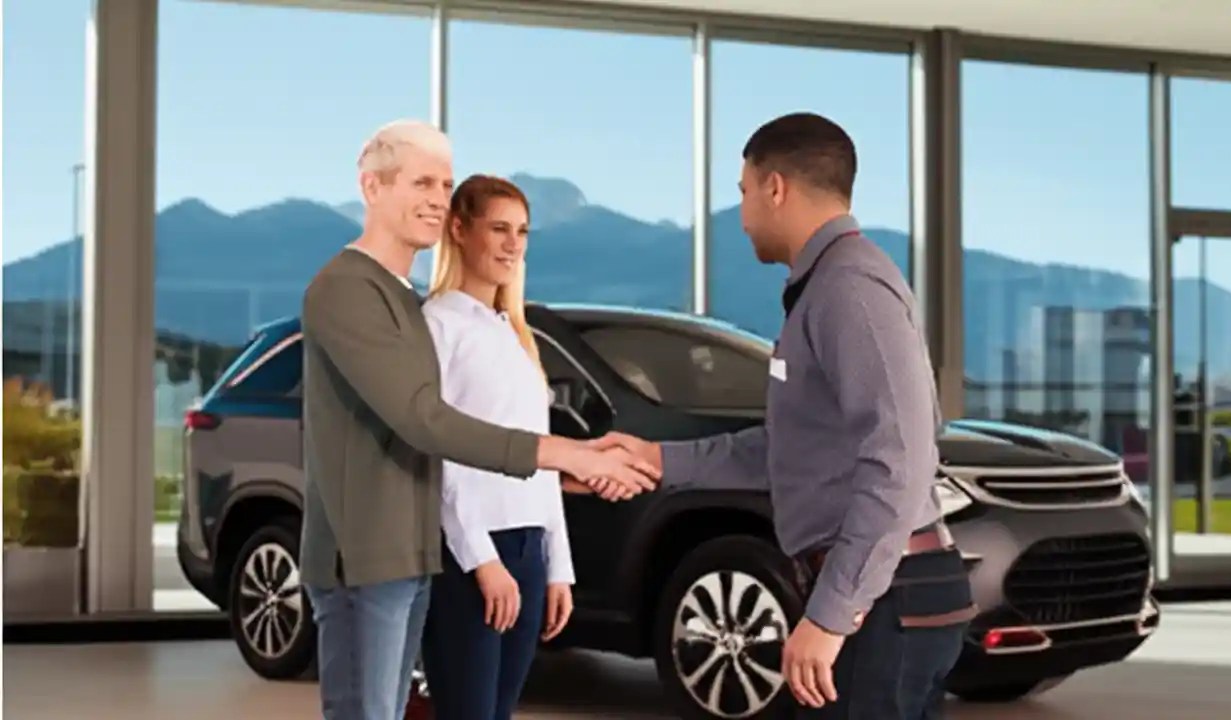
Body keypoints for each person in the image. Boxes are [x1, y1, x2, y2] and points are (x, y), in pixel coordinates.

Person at [589, 113, 976, 720]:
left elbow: (901, 457)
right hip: (876, 593)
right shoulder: (826, 287)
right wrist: (656, 457)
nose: (741, 213)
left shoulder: (851, 288)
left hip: (883, 601)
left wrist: (832, 613)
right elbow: (789, 450)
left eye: (743, 192)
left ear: (776, 188)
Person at [299, 120, 657, 720]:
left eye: (444, 182)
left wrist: (572, 478)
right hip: (364, 556)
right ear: (372, 187)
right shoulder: (347, 291)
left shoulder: (406, 300)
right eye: (421, 182)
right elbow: (425, 421)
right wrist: (565, 453)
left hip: (411, 554)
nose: (438, 198)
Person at [416, 175, 577, 719]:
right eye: (500, 229)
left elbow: (542, 454)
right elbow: (440, 451)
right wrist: (483, 561)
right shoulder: (437, 327)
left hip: (528, 552)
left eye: (523, 231)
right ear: (458, 230)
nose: (514, 243)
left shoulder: (514, 334)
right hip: (471, 557)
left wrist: (559, 566)